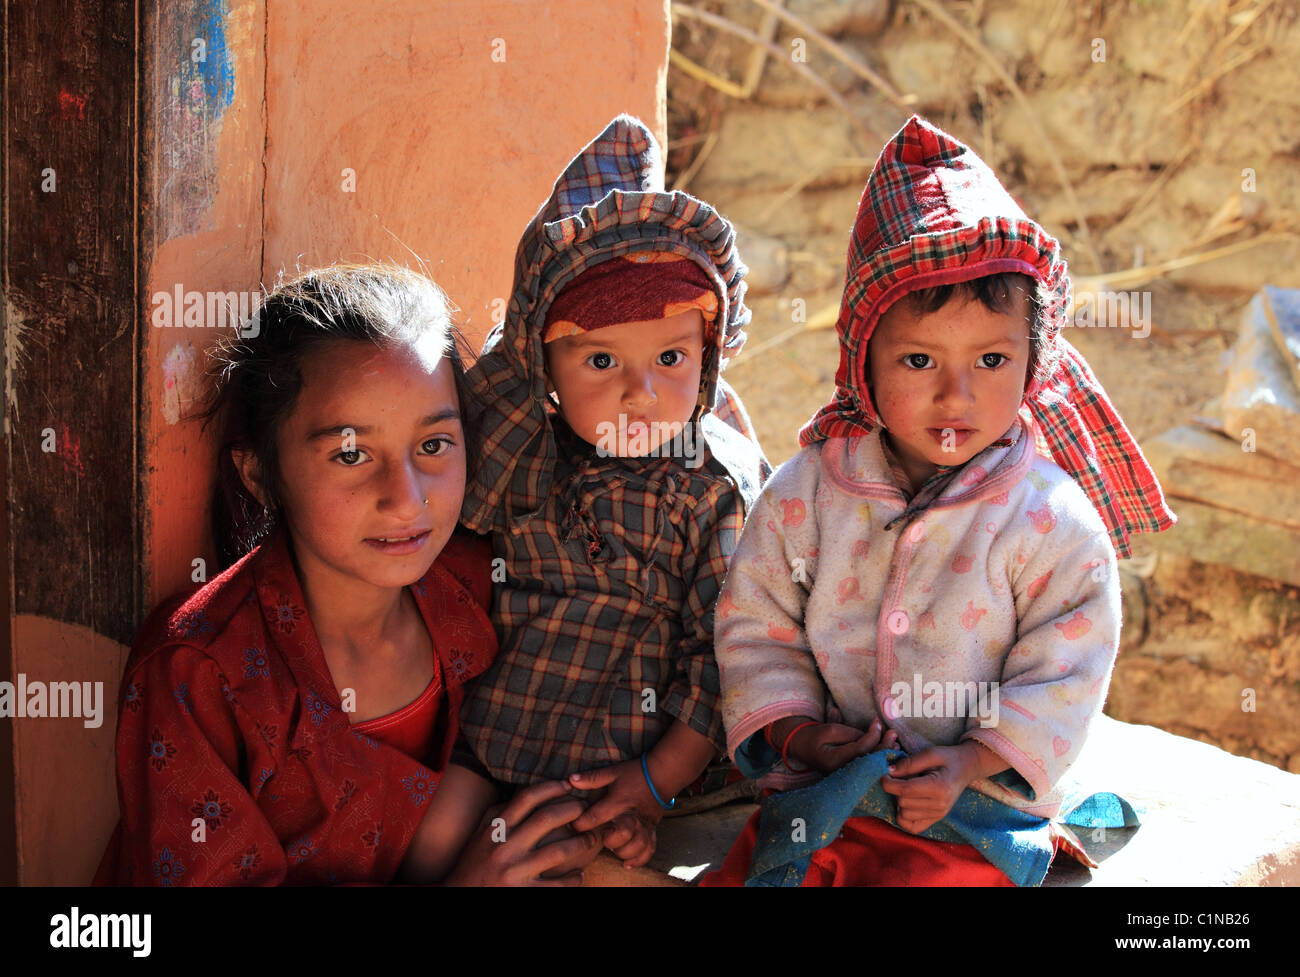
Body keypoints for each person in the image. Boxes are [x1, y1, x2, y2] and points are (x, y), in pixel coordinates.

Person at [703, 116, 1173, 886]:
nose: (957, 393)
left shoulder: (1051, 521)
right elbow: (757, 626)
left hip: (976, 815)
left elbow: (1067, 669)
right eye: (918, 359)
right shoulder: (807, 495)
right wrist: (798, 736)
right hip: (826, 795)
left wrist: (970, 762)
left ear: (1032, 363)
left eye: (991, 358)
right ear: (862, 361)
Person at [94, 264, 607, 885]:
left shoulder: (479, 589)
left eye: (435, 444)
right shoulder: (200, 673)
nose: (405, 498)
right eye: (350, 454)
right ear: (260, 474)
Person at [455, 115, 771, 869]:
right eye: (599, 359)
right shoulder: (531, 448)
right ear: (544, 368)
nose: (641, 393)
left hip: (622, 763)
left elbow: (717, 664)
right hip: (493, 740)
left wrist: (651, 789)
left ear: (709, 356)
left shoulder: (713, 488)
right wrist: (520, 379)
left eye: (671, 356)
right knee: (435, 839)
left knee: (593, 863)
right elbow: (462, 501)